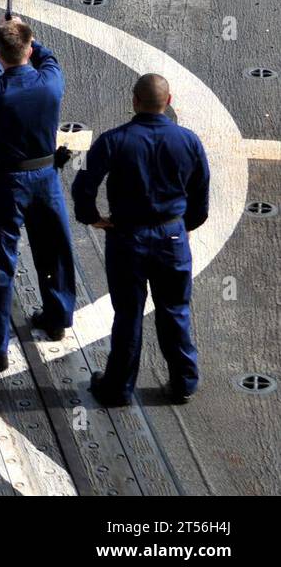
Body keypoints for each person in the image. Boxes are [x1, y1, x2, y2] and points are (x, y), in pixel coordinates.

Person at [72, 74, 209, 406]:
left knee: (129, 314)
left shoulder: (113, 140)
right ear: (169, 100)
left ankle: (117, 388)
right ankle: (184, 382)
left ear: (134, 101)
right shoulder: (189, 141)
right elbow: (201, 196)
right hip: (172, 236)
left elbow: (83, 184)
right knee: (175, 310)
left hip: (127, 238)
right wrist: (183, 225)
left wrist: (94, 219)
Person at [0, 17, 75, 373]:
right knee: (54, 248)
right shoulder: (51, 82)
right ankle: (56, 316)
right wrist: (24, 31)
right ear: (29, 47)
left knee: (1, 263)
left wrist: (3, 38)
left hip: (9, 182)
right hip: (46, 177)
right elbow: (46, 55)